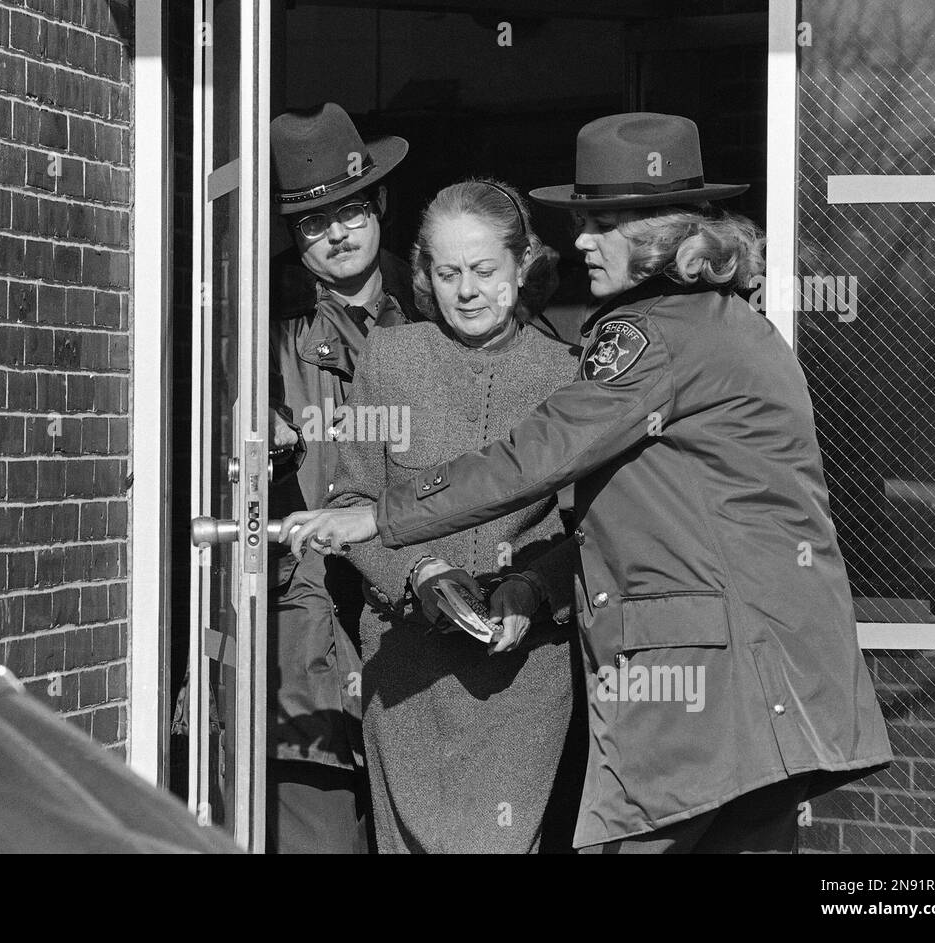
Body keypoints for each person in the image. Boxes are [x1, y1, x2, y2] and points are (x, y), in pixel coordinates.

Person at [282, 112, 893, 853]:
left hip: (704, 695)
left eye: (596, 224)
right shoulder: (725, 322)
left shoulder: (646, 338)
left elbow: (533, 457)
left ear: (655, 234)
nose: (579, 242)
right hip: (764, 694)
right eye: (448, 272)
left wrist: (383, 518)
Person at [326, 178, 579, 853]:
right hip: (408, 679)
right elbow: (353, 500)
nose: (466, 290)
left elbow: (590, 531)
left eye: (484, 269)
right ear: (424, 273)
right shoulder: (390, 358)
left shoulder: (570, 376)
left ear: (523, 264)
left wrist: (534, 589)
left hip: (523, 679)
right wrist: (417, 569)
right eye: (447, 272)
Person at [263, 102, 421, 853]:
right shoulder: (265, 332)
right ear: (292, 240)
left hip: (415, 623)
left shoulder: (437, 307)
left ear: (380, 203)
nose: (338, 233)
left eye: (351, 209)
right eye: (313, 222)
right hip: (311, 629)